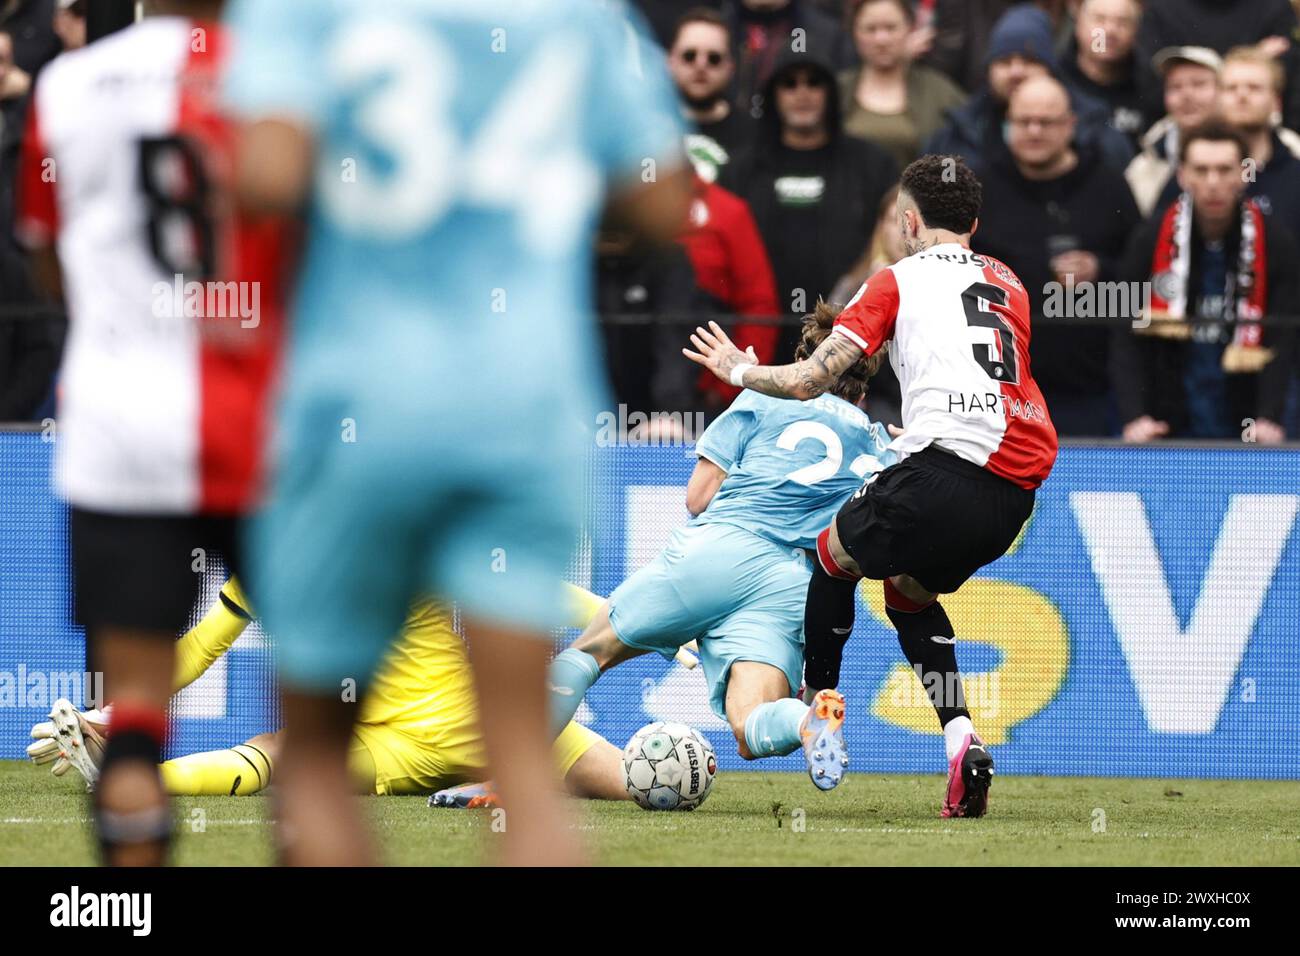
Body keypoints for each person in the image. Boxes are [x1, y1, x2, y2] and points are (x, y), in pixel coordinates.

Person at [222, 0, 690, 867]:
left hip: (359, 402)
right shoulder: (575, 14)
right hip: (526, 401)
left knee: (316, 764)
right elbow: (663, 200)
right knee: (519, 764)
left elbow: (264, 173)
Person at [685, 154, 1058, 818]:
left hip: (946, 466)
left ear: (908, 221)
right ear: (973, 221)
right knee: (909, 597)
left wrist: (739, 370)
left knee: (833, 557)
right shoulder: (1012, 282)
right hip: (1017, 490)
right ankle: (962, 741)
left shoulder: (895, 279)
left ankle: (818, 707)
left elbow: (807, 381)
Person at [14, 0, 286, 866]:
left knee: (134, 716)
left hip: (119, 436)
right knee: (315, 747)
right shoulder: (295, 78)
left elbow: (49, 259)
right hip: (271, 438)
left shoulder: (68, 86)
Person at [550, 305, 895, 791]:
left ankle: (507, 776)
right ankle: (807, 721)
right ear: (863, 386)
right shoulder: (880, 445)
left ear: (798, 365)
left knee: (591, 651)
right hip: (796, 583)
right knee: (750, 723)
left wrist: (751, 384)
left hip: (725, 546)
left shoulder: (762, 400)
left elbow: (698, 497)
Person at [29, 580, 629, 805]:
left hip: (399, 749)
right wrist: (635, 622)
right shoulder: (418, 533)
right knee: (642, 783)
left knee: (277, 751)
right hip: (499, 731)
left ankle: (131, 778)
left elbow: (200, 648)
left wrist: (119, 711)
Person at [1114, 120, 1300, 443]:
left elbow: (1283, 338)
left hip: (1245, 419)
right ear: (1182, 175)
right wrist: (1135, 416)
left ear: (1245, 174)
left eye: (1224, 170)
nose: (1213, 182)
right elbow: (1124, 333)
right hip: (1170, 417)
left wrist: (1269, 417)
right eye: (1201, 170)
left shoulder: (1276, 241)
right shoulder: (1149, 238)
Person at [975, 76, 1141, 436]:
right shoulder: (981, 189)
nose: (1034, 131)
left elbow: (1143, 283)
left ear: (1070, 125)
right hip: (1001, 389)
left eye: (1046, 122)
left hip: (1095, 389)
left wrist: (1101, 270)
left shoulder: (1109, 186)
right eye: (1023, 121)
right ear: (1007, 124)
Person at [726, 47, 897, 362]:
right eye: (789, 83)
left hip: (850, 340)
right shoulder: (739, 171)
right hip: (755, 340)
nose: (802, 93)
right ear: (773, 95)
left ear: (830, 93)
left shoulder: (873, 165)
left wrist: (850, 291)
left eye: (813, 82)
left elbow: (894, 238)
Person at [925, 4, 1134, 175]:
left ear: (1051, 71)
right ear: (989, 70)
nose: (1016, 72)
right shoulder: (956, 136)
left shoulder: (1095, 133)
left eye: (1029, 61)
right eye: (1005, 61)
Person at [838, 0, 968, 170]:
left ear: (910, 28)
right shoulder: (837, 90)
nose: (881, 39)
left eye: (891, 28)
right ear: (854, 32)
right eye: (870, 29)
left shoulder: (942, 93)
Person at [1134, 0, 1300, 132]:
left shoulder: (1273, 6)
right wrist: (1254, 57)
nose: (1189, 94)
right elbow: (1151, 83)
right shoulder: (1161, 9)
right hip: (1176, 132)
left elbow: (1289, 82)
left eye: (1199, 84)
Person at [1126, 46, 1225, 216]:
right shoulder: (1143, 167)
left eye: (1199, 84)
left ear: (1223, 90)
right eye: (1175, 87)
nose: (1187, 95)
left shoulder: (1259, 151)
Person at [1220, 45, 1300, 243]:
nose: (1242, 95)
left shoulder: (1296, 177)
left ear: (1276, 102)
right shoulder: (1195, 171)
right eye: (1231, 88)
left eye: (1254, 87)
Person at [669, 8, 756, 184]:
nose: (701, 65)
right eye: (689, 56)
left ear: (730, 68)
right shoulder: (646, 131)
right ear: (670, 62)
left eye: (714, 58)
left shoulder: (754, 136)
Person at [1058, 0, 1146, 149]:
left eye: (1122, 22)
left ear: (1135, 31)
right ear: (1078, 24)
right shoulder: (1055, 82)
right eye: (1100, 19)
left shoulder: (1150, 89)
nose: (1110, 30)